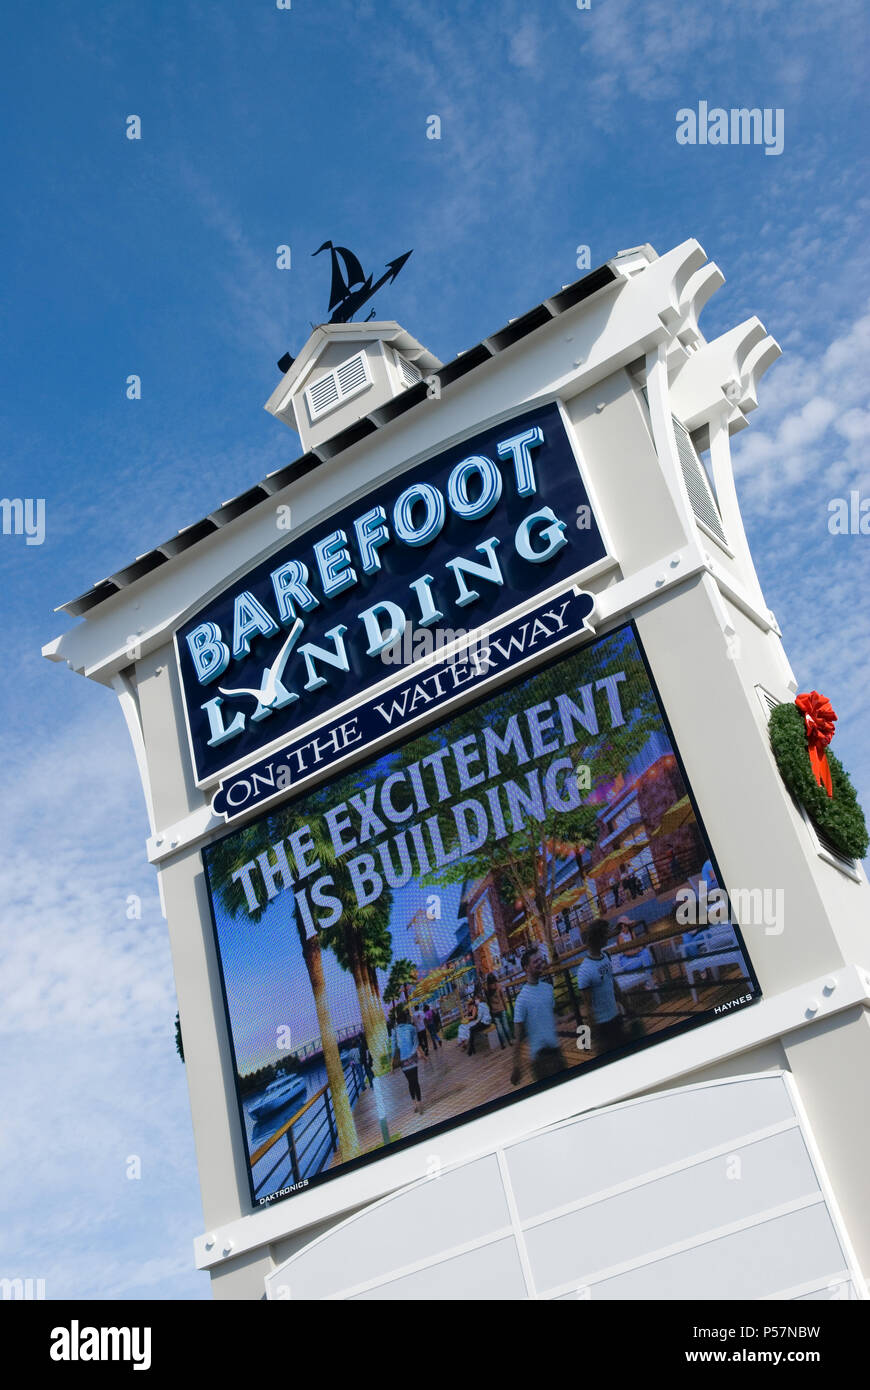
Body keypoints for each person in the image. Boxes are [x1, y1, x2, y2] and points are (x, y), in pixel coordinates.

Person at [510, 947, 565, 1084]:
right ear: (526, 968)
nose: (540, 963)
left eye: (541, 960)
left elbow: (550, 1016)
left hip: (557, 1052)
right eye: (536, 962)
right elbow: (518, 1037)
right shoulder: (522, 1000)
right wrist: (517, 1066)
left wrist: (566, 1018)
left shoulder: (548, 989)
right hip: (540, 1060)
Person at [574, 919, 627, 1051]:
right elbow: (588, 1007)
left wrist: (625, 1005)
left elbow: (613, 983)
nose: (607, 937)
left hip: (615, 1017)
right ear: (598, 938)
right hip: (602, 1025)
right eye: (604, 934)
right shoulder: (585, 970)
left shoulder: (605, 956)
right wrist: (594, 1035)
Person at [392, 1007, 427, 1114]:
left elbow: (394, 1048)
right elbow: (416, 1044)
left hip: (403, 1061)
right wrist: (423, 1056)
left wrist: (391, 1065)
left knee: (410, 1082)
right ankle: (420, 1105)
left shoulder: (395, 1031)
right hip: (412, 1059)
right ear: (406, 1018)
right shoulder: (411, 1028)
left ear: (397, 1021)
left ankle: (415, 1104)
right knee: (415, 1081)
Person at [486, 972, 512, 1048]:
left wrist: (490, 1010)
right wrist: (506, 1006)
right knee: (506, 1025)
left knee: (499, 1028)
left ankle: (503, 1043)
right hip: (501, 1008)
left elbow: (488, 1002)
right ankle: (510, 1040)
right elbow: (503, 998)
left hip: (494, 1011)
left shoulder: (487, 990)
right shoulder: (499, 986)